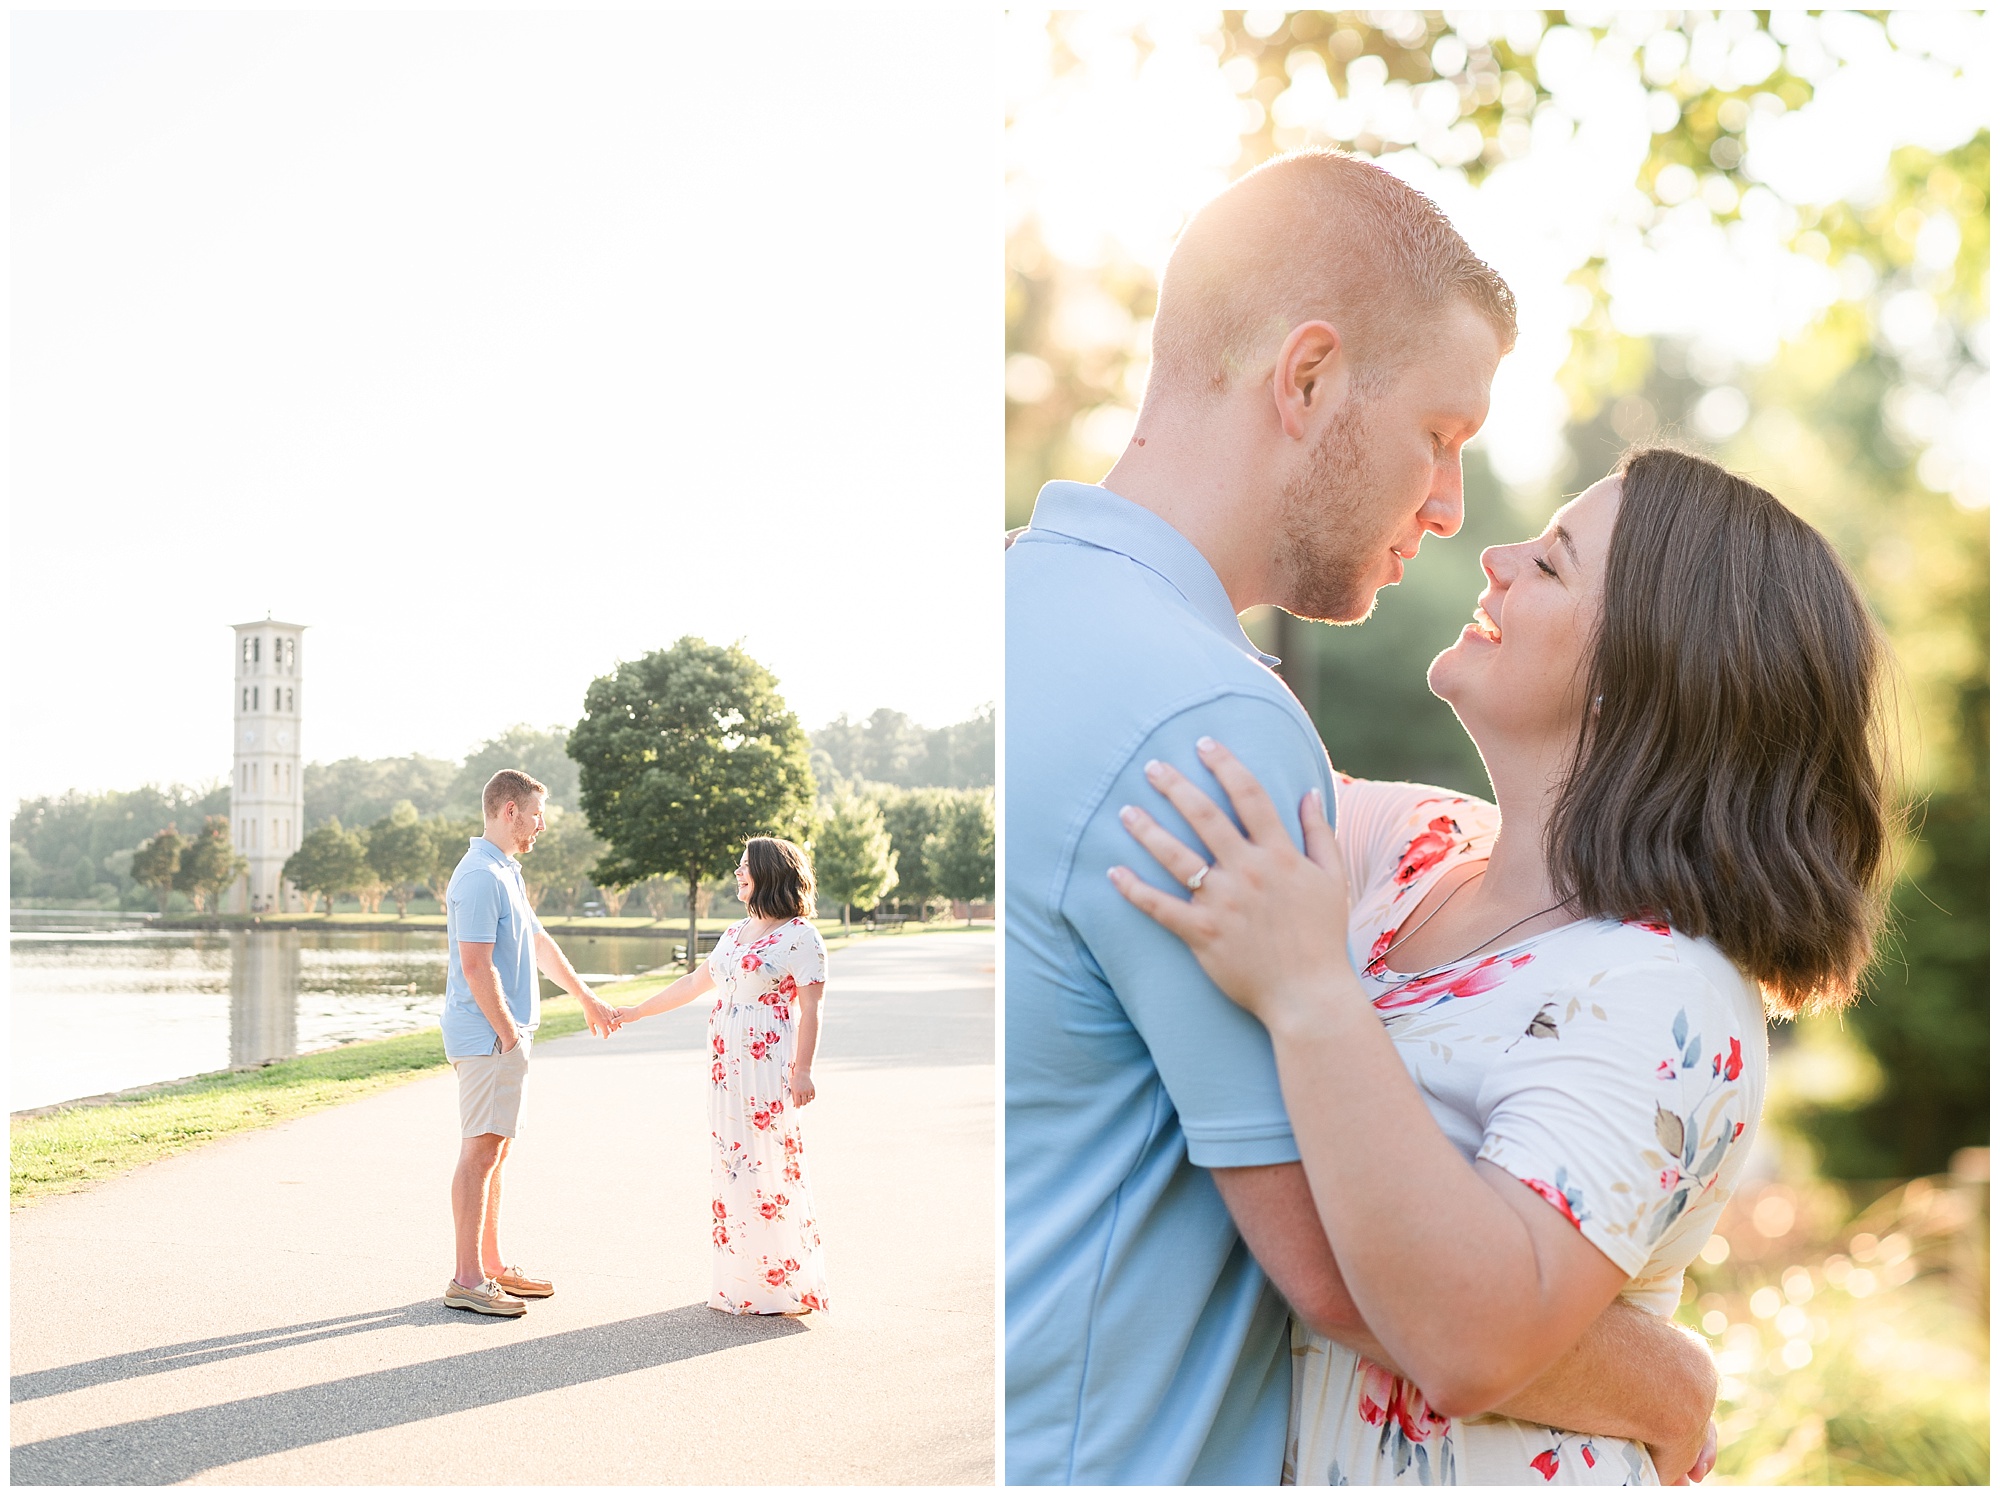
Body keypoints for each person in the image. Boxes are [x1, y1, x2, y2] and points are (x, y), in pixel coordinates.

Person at [1006, 150, 1719, 1484]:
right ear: (1310, 378)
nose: (1452, 511)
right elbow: (1349, 1269)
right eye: (1440, 438)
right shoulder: (1211, 720)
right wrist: (1671, 1384)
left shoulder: (1014, 617)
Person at [1112, 449, 1890, 1482]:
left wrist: (1307, 989)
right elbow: (1180, 736)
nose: (1493, 555)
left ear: (1637, 674)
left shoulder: (1667, 995)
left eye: (1552, 564)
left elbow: (1472, 1338)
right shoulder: (1408, 849)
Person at [609, 836, 830, 1315]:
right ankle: (741, 1280)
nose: (737, 873)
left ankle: (782, 1283)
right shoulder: (734, 934)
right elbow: (693, 983)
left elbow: (811, 1010)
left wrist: (804, 1070)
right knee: (733, 1164)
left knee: (768, 1162)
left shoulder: (802, 936)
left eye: (745, 866)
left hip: (768, 1066)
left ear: (769, 873)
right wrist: (637, 1012)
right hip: (725, 1070)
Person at [442, 768, 620, 1317]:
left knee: (496, 1147)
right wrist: (507, 1033)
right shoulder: (478, 877)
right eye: (538, 813)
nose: (542, 825)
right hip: (489, 1035)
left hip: (505, 1034)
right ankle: (468, 1279)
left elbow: (538, 943)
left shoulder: (506, 873)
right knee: (480, 1150)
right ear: (510, 810)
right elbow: (476, 967)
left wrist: (586, 996)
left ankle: (490, 1266)